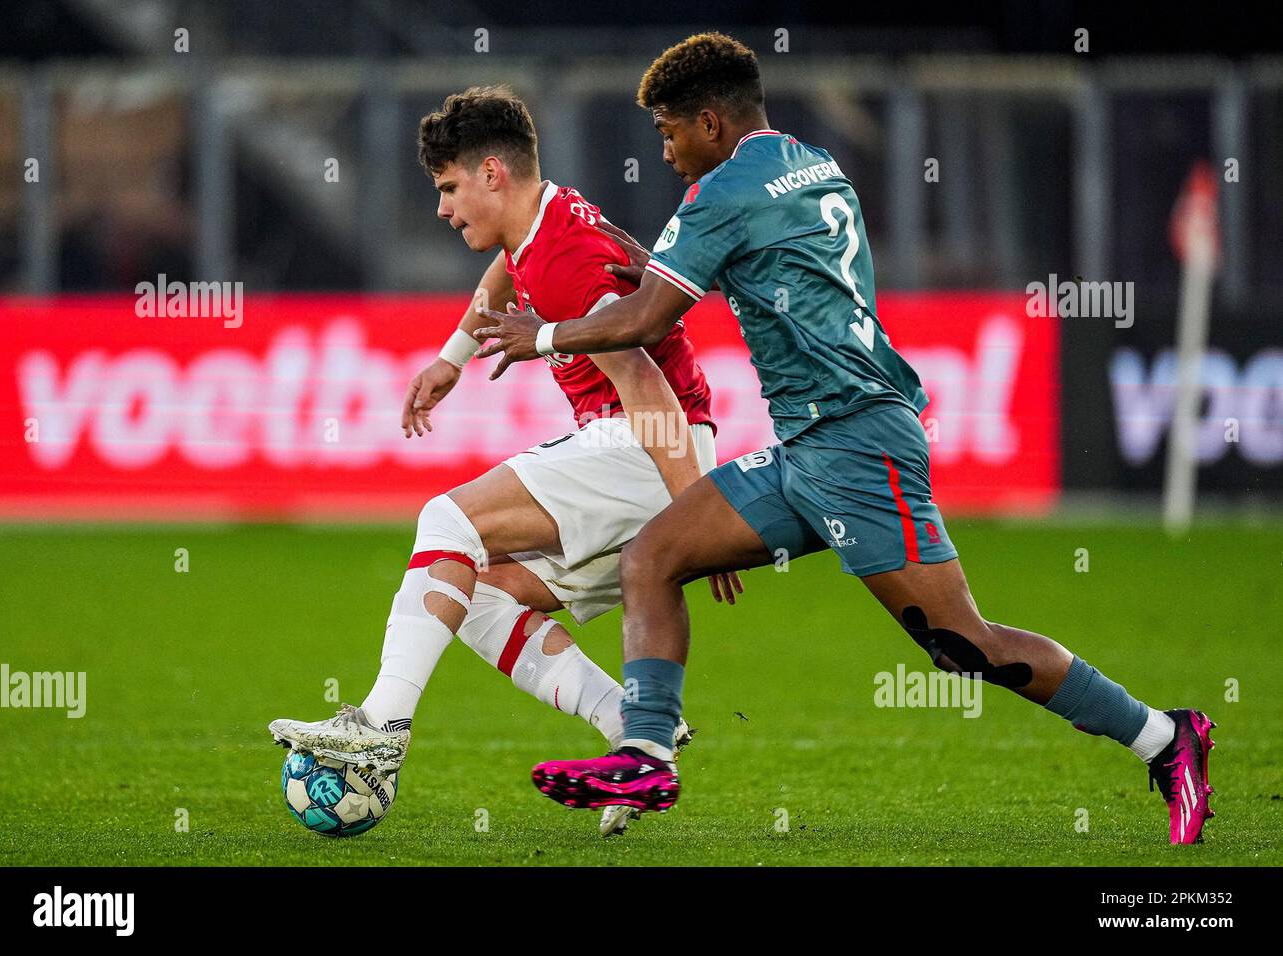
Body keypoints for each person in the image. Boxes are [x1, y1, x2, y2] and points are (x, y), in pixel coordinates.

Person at [471, 35, 1215, 844]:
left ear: (710, 122)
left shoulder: (720, 193)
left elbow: (649, 318)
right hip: (807, 446)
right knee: (654, 555)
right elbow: (743, 271)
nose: (667, 149)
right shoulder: (810, 161)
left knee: (963, 644)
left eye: (670, 131)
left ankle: (1166, 738)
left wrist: (542, 336)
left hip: (858, 441)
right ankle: (646, 751)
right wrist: (656, 268)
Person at [270, 85, 735, 837]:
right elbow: (504, 274)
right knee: (475, 592)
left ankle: (382, 729)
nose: (444, 209)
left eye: (450, 187)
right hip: (653, 456)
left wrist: (705, 515)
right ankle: (631, 725)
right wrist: (454, 356)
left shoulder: (565, 257)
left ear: (493, 173)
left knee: (446, 519)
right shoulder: (545, 221)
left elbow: (647, 389)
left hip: (646, 448)